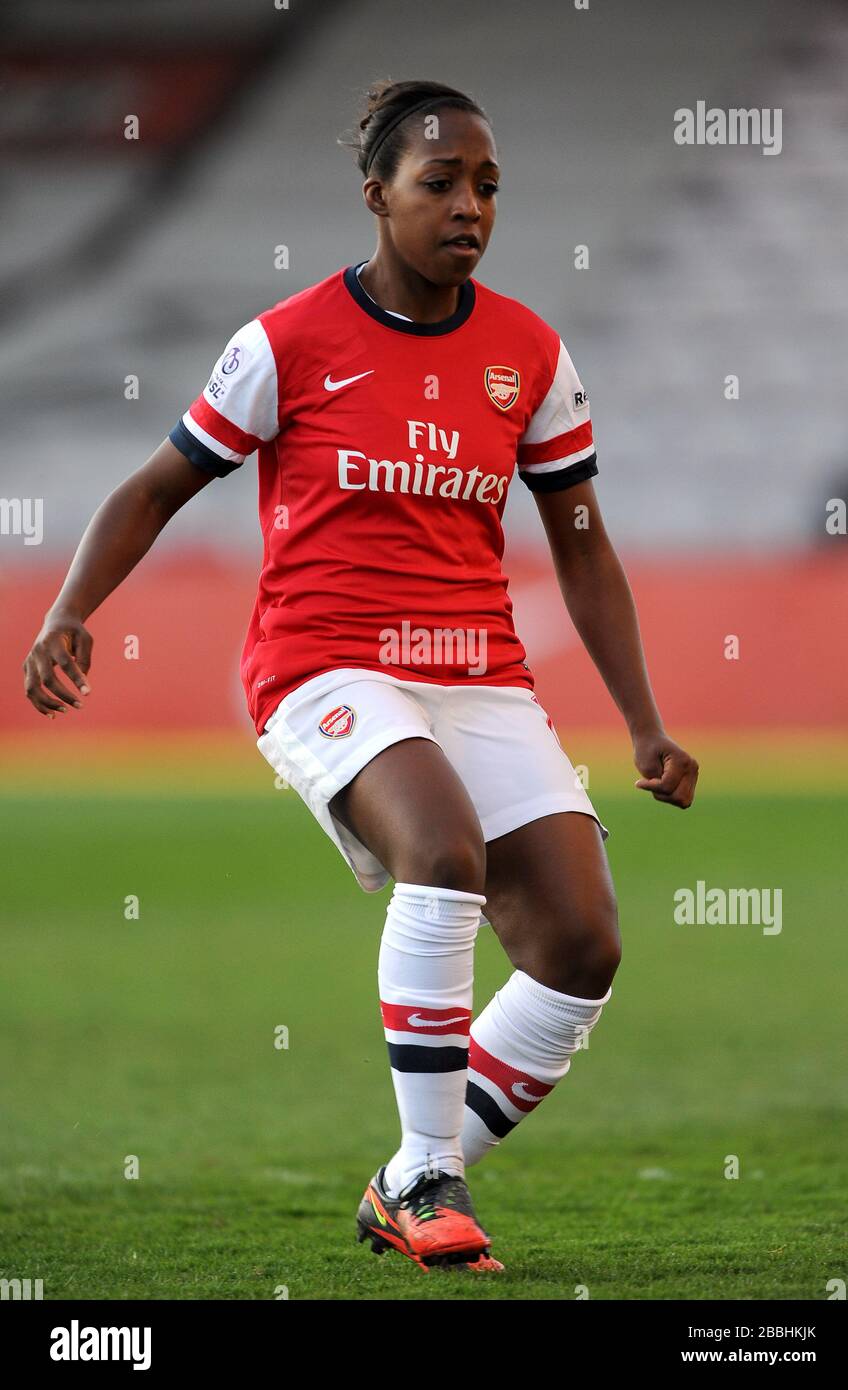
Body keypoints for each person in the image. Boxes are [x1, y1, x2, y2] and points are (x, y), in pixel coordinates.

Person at [22, 78, 699, 1275]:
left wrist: (642, 722)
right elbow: (155, 487)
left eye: (486, 185)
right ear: (375, 194)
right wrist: (72, 610)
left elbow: (581, 551)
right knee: (441, 851)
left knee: (581, 943)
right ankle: (429, 1167)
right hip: (320, 663)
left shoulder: (529, 354)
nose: (468, 205)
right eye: (439, 182)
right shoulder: (282, 343)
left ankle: (399, 1184)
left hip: (478, 675)